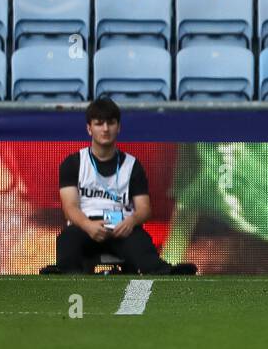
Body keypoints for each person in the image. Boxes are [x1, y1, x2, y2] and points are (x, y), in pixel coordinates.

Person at [56, 98, 195, 275]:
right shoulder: (73, 163)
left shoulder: (132, 165)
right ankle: (64, 276)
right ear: (89, 129)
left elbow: (144, 209)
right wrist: (87, 225)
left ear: (118, 127)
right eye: (99, 124)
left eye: (111, 123)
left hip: (122, 226)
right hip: (86, 225)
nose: (105, 129)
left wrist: (132, 221)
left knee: (142, 245)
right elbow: (70, 208)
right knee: (67, 240)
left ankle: (165, 272)